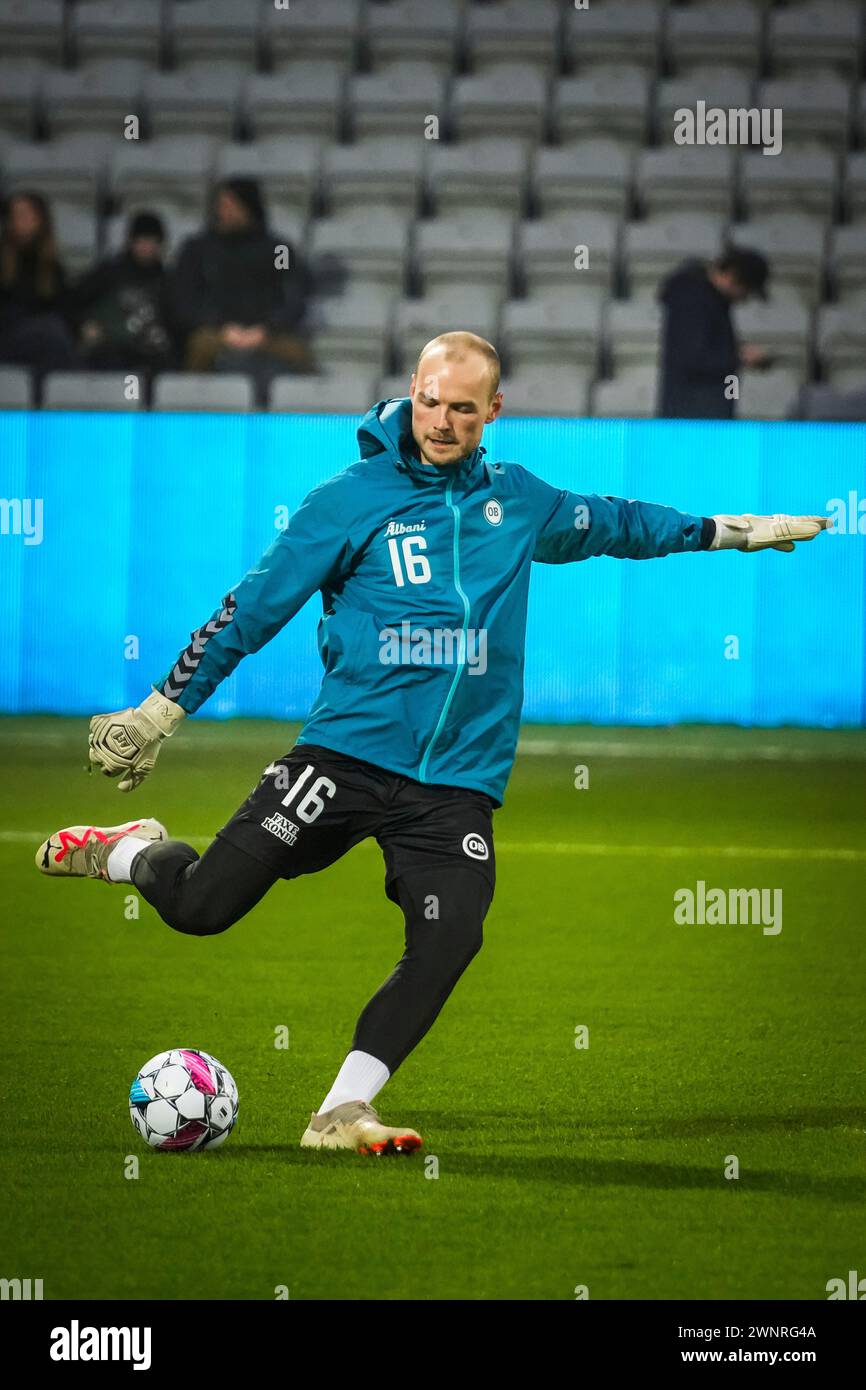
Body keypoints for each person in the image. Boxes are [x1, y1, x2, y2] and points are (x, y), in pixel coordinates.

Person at [36, 331, 828, 1156]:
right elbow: (255, 606)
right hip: (341, 758)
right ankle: (130, 854)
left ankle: (339, 1113)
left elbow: (619, 523)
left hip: (452, 787)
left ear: (493, 411)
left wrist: (728, 531)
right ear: (409, 393)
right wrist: (161, 709)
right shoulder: (350, 498)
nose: (442, 421)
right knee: (203, 908)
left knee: (452, 934)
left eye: (461, 407)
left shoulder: (520, 502)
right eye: (429, 401)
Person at [171, 178, 312, 388]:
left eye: (231, 206)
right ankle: (191, 409)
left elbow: (293, 295)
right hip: (216, 332)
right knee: (199, 346)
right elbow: (184, 300)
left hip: (267, 333)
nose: (223, 212)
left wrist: (266, 329)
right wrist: (222, 328)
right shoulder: (198, 249)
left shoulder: (277, 250)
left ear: (249, 208)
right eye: (221, 206)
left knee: (300, 355)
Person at [657, 245, 771, 419]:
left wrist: (737, 355)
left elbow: (710, 350)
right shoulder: (693, 300)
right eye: (746, 290)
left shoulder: (715, 300)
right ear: (733, 277)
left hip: (710, 410)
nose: (745, 298)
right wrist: (739, 358)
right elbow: (692, 359)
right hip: (694, 415)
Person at [71, 212, 174, 373]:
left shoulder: (167, 280)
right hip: (112, 348)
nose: (146, 246)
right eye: (141, 240)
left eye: (151, 241)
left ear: (160, 244)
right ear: (131, 242)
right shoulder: (109, 272)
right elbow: (75, 299)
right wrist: (85, 323)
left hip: (152, 352)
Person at [0, 190, 76, 373]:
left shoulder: (51, 267)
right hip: (6, 338)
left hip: (41, 341)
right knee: (51, 331)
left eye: (26, 214)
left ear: (40, 220)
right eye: (15, 214)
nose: (19, 220)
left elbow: (64, 308)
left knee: (53, 335)